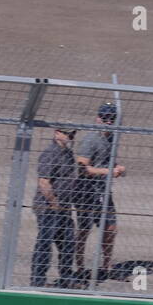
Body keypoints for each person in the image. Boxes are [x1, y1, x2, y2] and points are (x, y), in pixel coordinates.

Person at [73, 103, 126, 283]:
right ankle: (79, 266)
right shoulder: (90, 140)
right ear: (98, 119)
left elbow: (107, 162)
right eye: (105, 118)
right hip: (85, 191)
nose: (109, 122)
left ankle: (107, 266)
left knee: (110, 228)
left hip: (103, 191)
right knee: (84, 229)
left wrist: (117, 167)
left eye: (112, 118)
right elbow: (82, 168)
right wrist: (108, 171)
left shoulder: (112, 138)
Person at [30, 126, 80, 288]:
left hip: (63, 207)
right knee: (45, 243)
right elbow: (44, 182)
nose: (70, 137)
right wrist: (54, 203)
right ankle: (38, 280)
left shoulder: (68, 154)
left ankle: (66, 277)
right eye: (67, 134)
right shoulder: (51, 153)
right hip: (48, 207)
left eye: (72, 134)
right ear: (57, 133)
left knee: (68, 242)